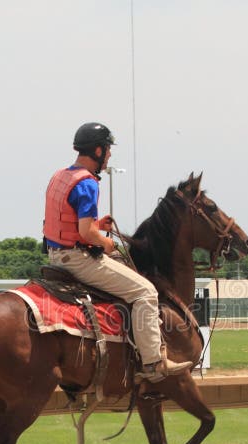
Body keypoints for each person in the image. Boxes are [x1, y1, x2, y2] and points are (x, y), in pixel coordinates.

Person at [43, 122, 192, 383]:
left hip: (56, 254)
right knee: (146, 291)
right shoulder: (88, 184)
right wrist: (105, 241)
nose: (110, 154)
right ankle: (153, 363)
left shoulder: (60, 175)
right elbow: (88, 234)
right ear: (98, 150)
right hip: (77, 259)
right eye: (109, 149)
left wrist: (98, 226)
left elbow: (68, 222)